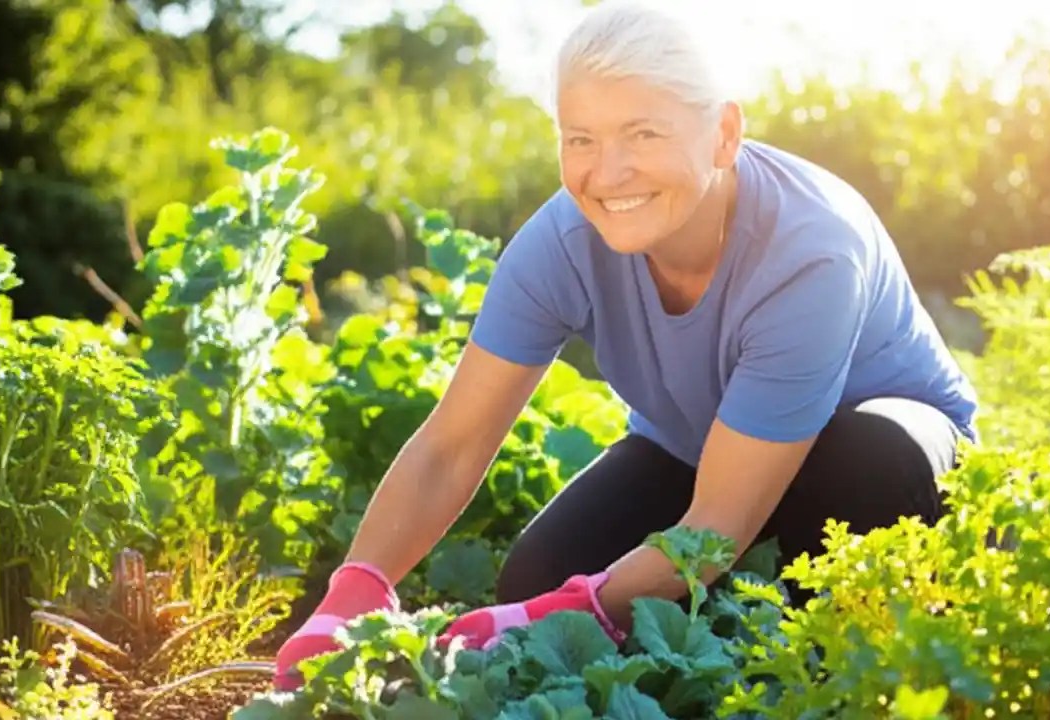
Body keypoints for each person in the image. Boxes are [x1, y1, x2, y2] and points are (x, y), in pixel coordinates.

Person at [273, 0, 978, 689]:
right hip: (702, 449)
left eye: (642, 134)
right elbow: (450, 446)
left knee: (868, 471)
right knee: (538, 577)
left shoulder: (809, 252)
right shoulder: (562, 243)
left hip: (882, 455)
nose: (606, 174)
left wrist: (563, 614)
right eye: (580, 139)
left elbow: (716, 528)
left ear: (723, 135)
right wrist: (355, 588)